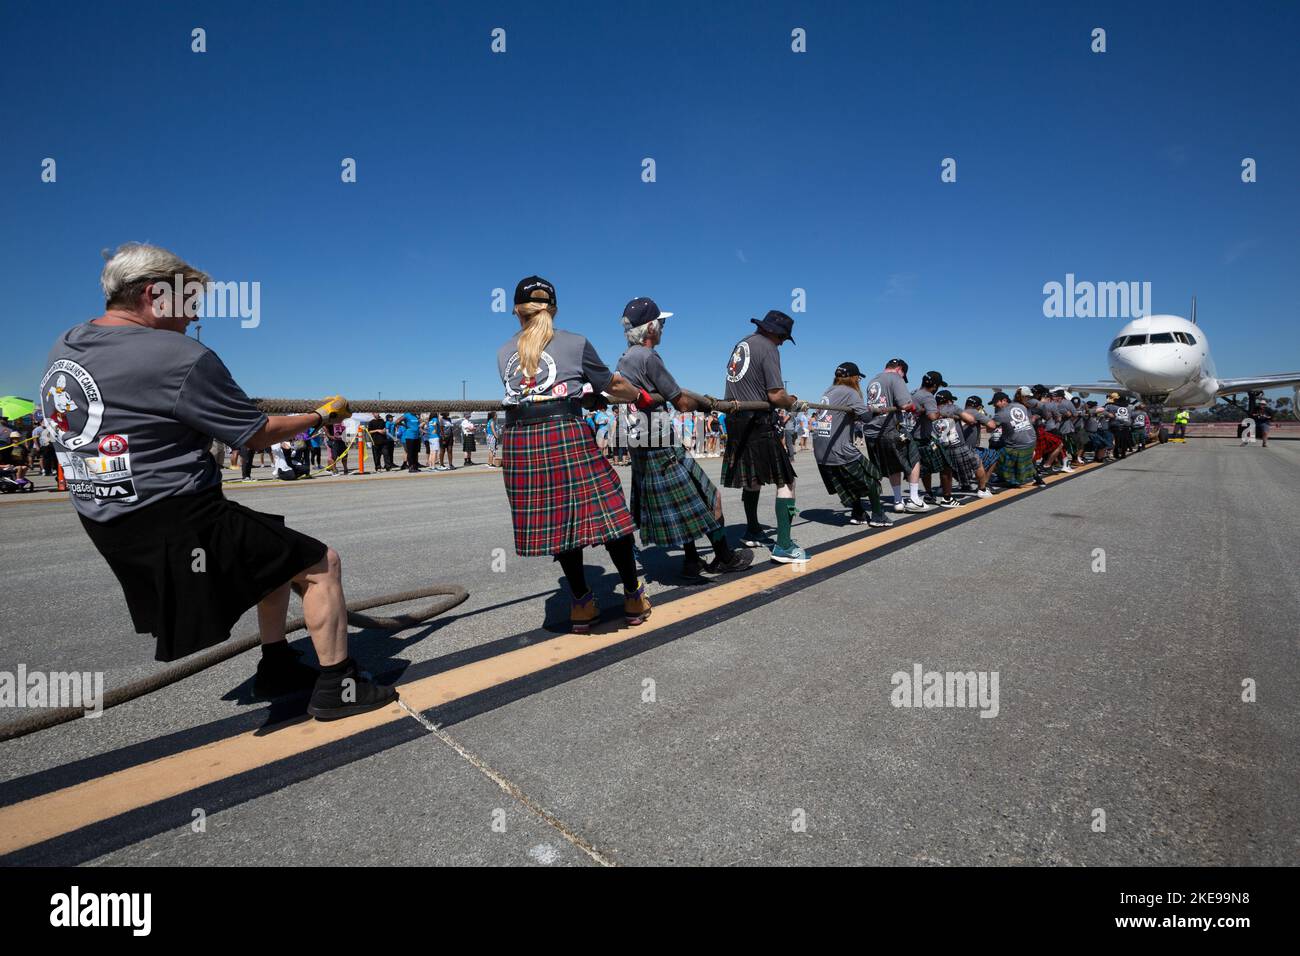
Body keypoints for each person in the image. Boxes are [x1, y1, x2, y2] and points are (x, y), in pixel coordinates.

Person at [42, 242, 395, 719]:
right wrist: (320, 414)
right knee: (320, 564)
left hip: (106, 516)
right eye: (189, 305)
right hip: (177, 517)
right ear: (155, 295)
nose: (192, 319)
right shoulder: (177, 355)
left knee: (272, 559)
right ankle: (339, 685)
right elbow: (255, 437)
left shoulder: (67, 344)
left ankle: (276, 664)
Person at [498, 275, 652, 633]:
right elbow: (611, 384)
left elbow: (534, 390)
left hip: (520, 440)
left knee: (559, 522)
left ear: (516, 312)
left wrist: (577, 394)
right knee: (611, 510)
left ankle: (581, 603)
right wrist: (638, 396)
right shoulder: (575, 341)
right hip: (564, 432)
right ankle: (632, 594)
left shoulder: (503, 352)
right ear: (553, 309)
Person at [615, 296, 753, 578]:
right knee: (707, 495)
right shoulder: (648, 357)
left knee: (683, 505)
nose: (664, 328)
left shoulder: (625, 358)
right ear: (651, 328)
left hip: (641, 443)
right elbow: (681, 402)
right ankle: (724, 557)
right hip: (660, 443)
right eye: (662, 323)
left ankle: (691, 561)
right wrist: (709, 404)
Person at [720, 310, 808, 563]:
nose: (782, 342)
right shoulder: (769, 348)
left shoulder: (743, 343)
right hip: (758, 420)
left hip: (737, 418)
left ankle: (753, 530)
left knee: (753, 478)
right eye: (783, 337)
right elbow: (775, 394)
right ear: (776, 333)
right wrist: (792, 402)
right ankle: (784, 545)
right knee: (787, 480)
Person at [811, 361, 893, 527]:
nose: (858, 382)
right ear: (853, 378)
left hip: (821, 451)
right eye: (858, 378)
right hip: (839, 449)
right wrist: (874, 410)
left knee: (848, 482)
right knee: (873, 478)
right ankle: (878, 515)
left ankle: (858, 513)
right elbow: (867, 418)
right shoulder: (849, 392)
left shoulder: (829, 391)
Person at [862, 359, 926, 514]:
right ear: (899, 369)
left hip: (872, 431)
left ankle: (898, 501)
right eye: (903, 375)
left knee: (893, 465)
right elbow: (905, 404)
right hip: (890, 429)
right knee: (914, 458)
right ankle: (914, 499)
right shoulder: (895, 378)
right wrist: (915, 408)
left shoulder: (873, 380)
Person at [933, 389, 993, 498]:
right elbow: (970, 420)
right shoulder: (953, 408)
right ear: (949, 401)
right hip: (957, 445)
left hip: (940, 446)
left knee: (945, 469)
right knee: (977, 464)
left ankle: (942, 488)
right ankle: (982, 490)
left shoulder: (932, 410)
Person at [990, 391, 1044, 488]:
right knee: (1025, 461)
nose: (994, 405)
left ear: (1004, 400)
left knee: (995, 456)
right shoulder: (1021, 406)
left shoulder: (1000, 414)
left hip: (1018, 446)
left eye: (996, 402)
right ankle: (1038, 478)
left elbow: (990, 428)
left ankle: (1009, 480)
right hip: (1031, 441)